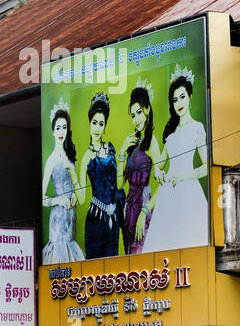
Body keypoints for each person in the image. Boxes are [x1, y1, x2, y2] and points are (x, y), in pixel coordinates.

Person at [140, 69, 208, 253]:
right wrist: (159, 172)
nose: (179, 103)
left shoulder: (197, 128)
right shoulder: (170, 132)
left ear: (190, 96)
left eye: (182, 96)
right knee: (164, 246)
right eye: (175, 99)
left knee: (190, 242)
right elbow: (159, 163)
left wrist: (184, 176)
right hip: (168, 192)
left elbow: (206, 167)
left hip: (189, 192)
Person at [79, 93, 123, 259]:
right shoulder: (86, 158)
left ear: (105, 127)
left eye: (101, 124)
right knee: (95, 269)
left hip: (113, 216)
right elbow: (82, 198)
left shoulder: (111, 149)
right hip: (95, 219)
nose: (97, 128)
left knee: (113, 268)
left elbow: (118, 184)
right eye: (94, 123)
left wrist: (123, 155)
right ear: (90, 124)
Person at [119, 83, 161, 254]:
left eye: (139, 113)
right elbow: (119, 184)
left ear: (148, 110)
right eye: (133, 115)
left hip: (143, 204)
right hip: (128, 208)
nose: (136, 119)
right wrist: (122, 151)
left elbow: (162, 184)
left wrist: (145, 211)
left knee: (141, 255)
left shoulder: (152, 143)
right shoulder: (131, 142)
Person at [42, 104, 85, 262]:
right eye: (58, 128)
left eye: (64, 127)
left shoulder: (70, 156)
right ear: (53, 131)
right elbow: (42, 196)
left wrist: (74, 195)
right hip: (59, 217)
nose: (61, 132)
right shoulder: (51, 160)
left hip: (71, 214)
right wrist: (58, 200)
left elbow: (76, 184)